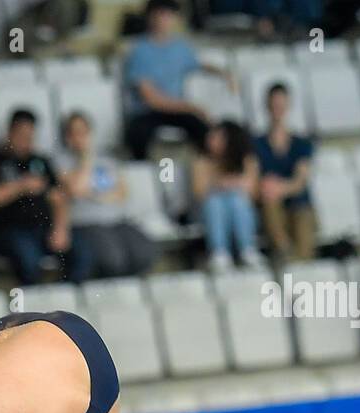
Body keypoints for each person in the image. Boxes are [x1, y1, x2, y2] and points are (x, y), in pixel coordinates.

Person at [0, 109, 88, 286]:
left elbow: (59, 197)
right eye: (21, 135)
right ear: (10, 132)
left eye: (30, 136)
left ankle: (65, 301)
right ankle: (32, 308)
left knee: (82, 253)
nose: (26, 141)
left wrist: (60, 228)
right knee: (29, 259)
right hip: (8, 230)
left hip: (44, 228)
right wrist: (19, 187)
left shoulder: (40, 161)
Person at [121, 0, 234, 160]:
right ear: (150, 17)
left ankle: (208, 171)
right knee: (138, 134)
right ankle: (143, 175)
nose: (164, 19)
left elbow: (197, 64)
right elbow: (151, 99)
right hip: (148, 112)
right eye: (160, 14)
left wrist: (224, 73)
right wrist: (191, 107)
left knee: (207, 132)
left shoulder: (180, 47)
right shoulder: (139, 51)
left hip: (177, 111)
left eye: (168, 15)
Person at [57, 111, 156, 279]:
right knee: (113, 259)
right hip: (88, 222)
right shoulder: (61, 161)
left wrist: (92, 194)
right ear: (68, 137)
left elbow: (123, 193)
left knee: (145, 252)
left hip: (117, 220)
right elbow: (76, 189)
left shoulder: (107, 160)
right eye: (75, 133)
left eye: (84, 132)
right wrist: (86, 159)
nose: (81, 137)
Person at [253, 83, 316, 263]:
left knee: (303, 244)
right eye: (274, 105)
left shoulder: (301, 144)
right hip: (271, 204)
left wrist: (278, 187)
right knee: (270, 201)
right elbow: (255, 177)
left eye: (281, 105)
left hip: (299, 205)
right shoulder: (257, 144)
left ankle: (293, 260)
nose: (277, 109)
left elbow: (300, 181)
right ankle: (284, 251)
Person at [193, 120, 263, 273]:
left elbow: (254, 193)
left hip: (241, 212)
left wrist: (234, 184)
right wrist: (218, 184)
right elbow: (199, 193)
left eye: (217, 137)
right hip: (208, 212)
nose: (210, 140)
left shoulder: (247, 160)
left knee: (237, 199)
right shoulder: (202, 161)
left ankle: (247, 249)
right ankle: (219, 252)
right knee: (215, 201)